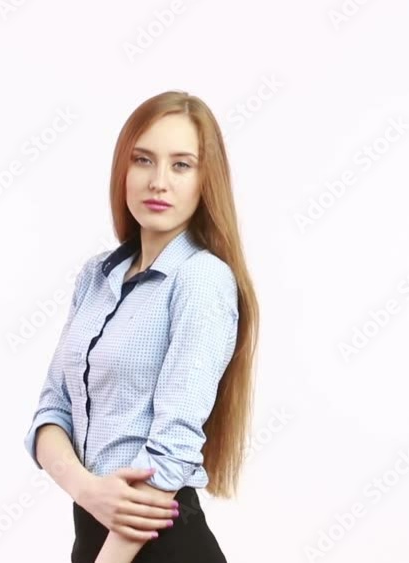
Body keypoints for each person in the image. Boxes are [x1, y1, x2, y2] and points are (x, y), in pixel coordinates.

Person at [23, 90, 259, 563]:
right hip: (93, 535)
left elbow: (172, 451)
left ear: (205, 179)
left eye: (181, 165)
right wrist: (88, 491)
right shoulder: (96, 276)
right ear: (122, 170)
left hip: (159, 546)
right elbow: (52, 410)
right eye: (143, 160)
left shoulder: (201, 279)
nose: (158, 182)